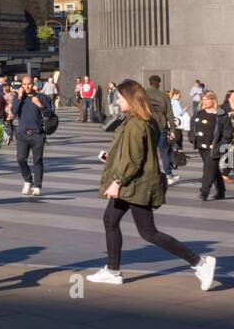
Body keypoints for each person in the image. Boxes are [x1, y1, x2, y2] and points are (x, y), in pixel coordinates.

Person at [86, 79, 217, 291]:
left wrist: (117, 182)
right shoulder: (142, 120)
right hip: (136, 181)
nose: (117, 102)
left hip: (135, 183)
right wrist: (112, 158)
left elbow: (135, 158)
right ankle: (112, 270)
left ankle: (200, 262)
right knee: (111, 220)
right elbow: (136, 152)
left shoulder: (136, 123)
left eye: (119, 98)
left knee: (148, 232)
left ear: (129, 98)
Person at [15, 74, 54, 197]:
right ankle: (28, 180)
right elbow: (14, 112)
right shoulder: (19, 97)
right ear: (22, 85)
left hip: (37, 134)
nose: (27, 86)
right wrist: (20, 98)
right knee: (21, 159)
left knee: (37, 161)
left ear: (34, 84)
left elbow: (50, 114)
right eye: (24, 84)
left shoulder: (42, 97)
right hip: (22, 134)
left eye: (29, 84)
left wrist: (40, 105)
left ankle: (37, 185)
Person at [191, 91, 231, 201]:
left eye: (207, 99)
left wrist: (223, 143)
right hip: (201, 146)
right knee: (213, 168)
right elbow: (192, 124)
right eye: (203, 99)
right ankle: (221, 191)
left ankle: (204, 191)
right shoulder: (199, 112)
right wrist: (192, 137)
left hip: (214, 146)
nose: (204, 101)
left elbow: (228, 131)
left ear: (213, 100)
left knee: (208, 169)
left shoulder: (221, 114)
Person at [144, 75, 179, 185]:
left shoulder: (143, 94)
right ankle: (168, 175)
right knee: (164, 151)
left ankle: (150, 175)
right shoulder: (164, 96)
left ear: (149, 83)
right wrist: (173, 129)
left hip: (148, 126)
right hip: (162, 126)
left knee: (149, 151)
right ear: (159, 83)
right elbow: (170, 114)